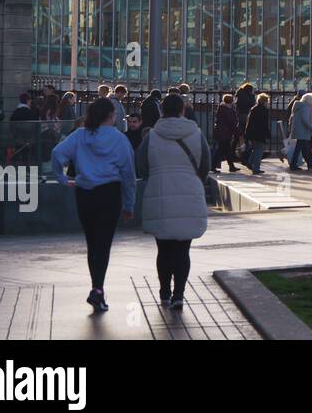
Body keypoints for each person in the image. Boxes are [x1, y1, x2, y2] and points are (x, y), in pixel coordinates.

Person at [50, 97, 136, 314]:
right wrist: (129, 204)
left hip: (85, 193)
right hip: (110, 193)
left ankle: (96, 287)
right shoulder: (119, 139)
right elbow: (128, 175)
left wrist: (62, 178)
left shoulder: (79, 135)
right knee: (104, 243)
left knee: (92, 243)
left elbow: (57, 153)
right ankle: (98, 289)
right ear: (110, 116)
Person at [136, 93, 210, 309]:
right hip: (189, 194)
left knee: (163, 249)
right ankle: (179, 294)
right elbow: (205, 165)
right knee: (183, 250)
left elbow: (142, 166)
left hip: (160, 195)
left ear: (162, 110)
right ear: (182, 110)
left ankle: (164, 292)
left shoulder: (151, 136)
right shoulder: (196, 134)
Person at [288, 93, 312, 171]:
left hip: (298, 130)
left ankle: (298, 164)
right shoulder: (305, 107)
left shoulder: (298, 106)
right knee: (305, 148)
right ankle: (309, 164)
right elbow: (305, 120)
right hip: (303, 131)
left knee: (300, 148)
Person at [211, 94, 241, 173]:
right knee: (221, 150)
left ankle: (231, 166)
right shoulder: (228, 110)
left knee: (227, 150)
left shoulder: (222, 108)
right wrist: (237, 132)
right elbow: (232, 122)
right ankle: (212, 166)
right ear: (231, 101)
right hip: (225, 133)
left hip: (222, 132)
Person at [243, 93, 271, 174]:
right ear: (265, 101)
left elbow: (249, 122)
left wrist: (247, 133)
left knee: (255, 149)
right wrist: (268, 134)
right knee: (259, 151)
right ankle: (256, 168)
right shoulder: (264, 110)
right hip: (260, 133)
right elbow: (265, 124)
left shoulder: (254, 109)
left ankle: (250, 162)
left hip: (252, 133)